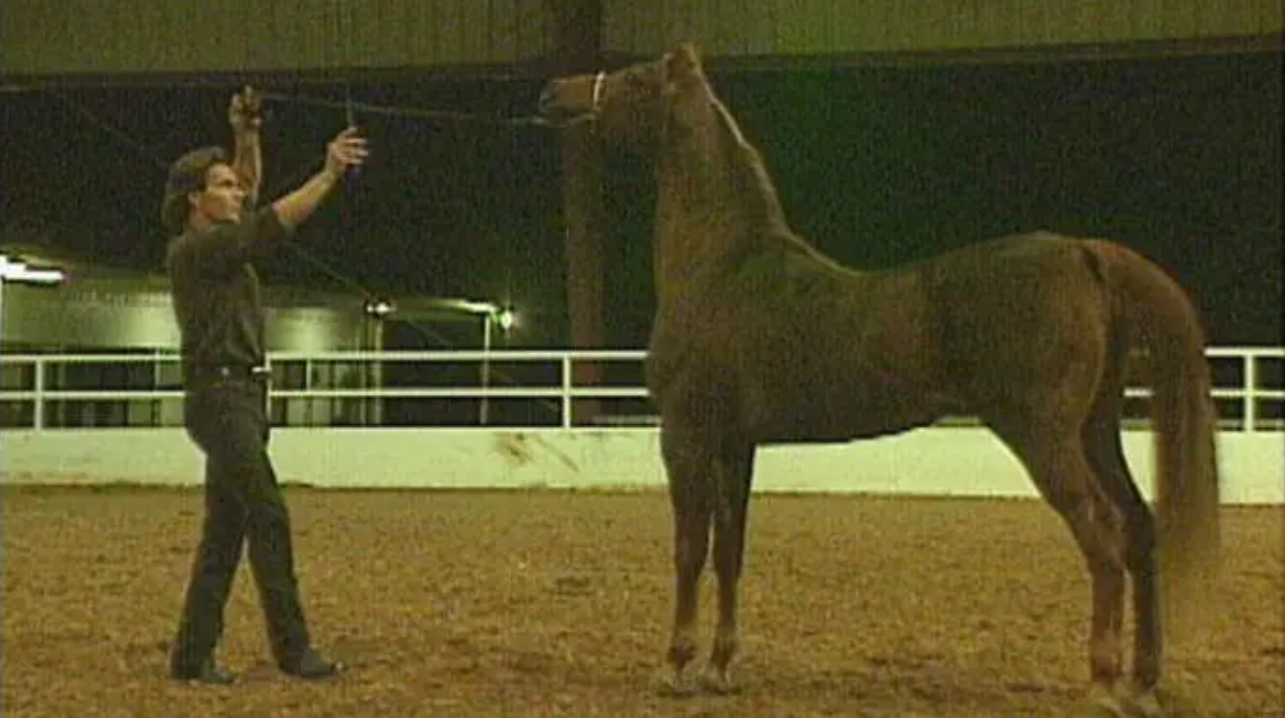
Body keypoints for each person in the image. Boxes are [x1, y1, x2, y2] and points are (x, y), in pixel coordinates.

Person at [161, 87, 368, 685]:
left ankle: (191, 655)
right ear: (196, 200)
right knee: (269, 515)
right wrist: (328, 174)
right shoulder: (199, 250)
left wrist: (246, 134)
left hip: (242, 398)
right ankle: (292, 648)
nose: (238, 191)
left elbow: (252, 191)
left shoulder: (214, 243)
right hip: (222, 400)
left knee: (224, 536)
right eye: (223, 186)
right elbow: (273, 220)